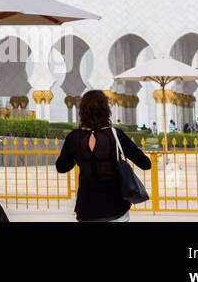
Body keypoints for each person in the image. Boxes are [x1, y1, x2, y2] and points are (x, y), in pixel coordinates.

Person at [55, 89, 152, 222]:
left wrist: (78, 157)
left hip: (87, 211)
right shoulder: (115, 135)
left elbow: (61, 167)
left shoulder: (74, 138)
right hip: (115, 209)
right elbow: (146, 164)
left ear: (82, 111)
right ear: (106, 110)